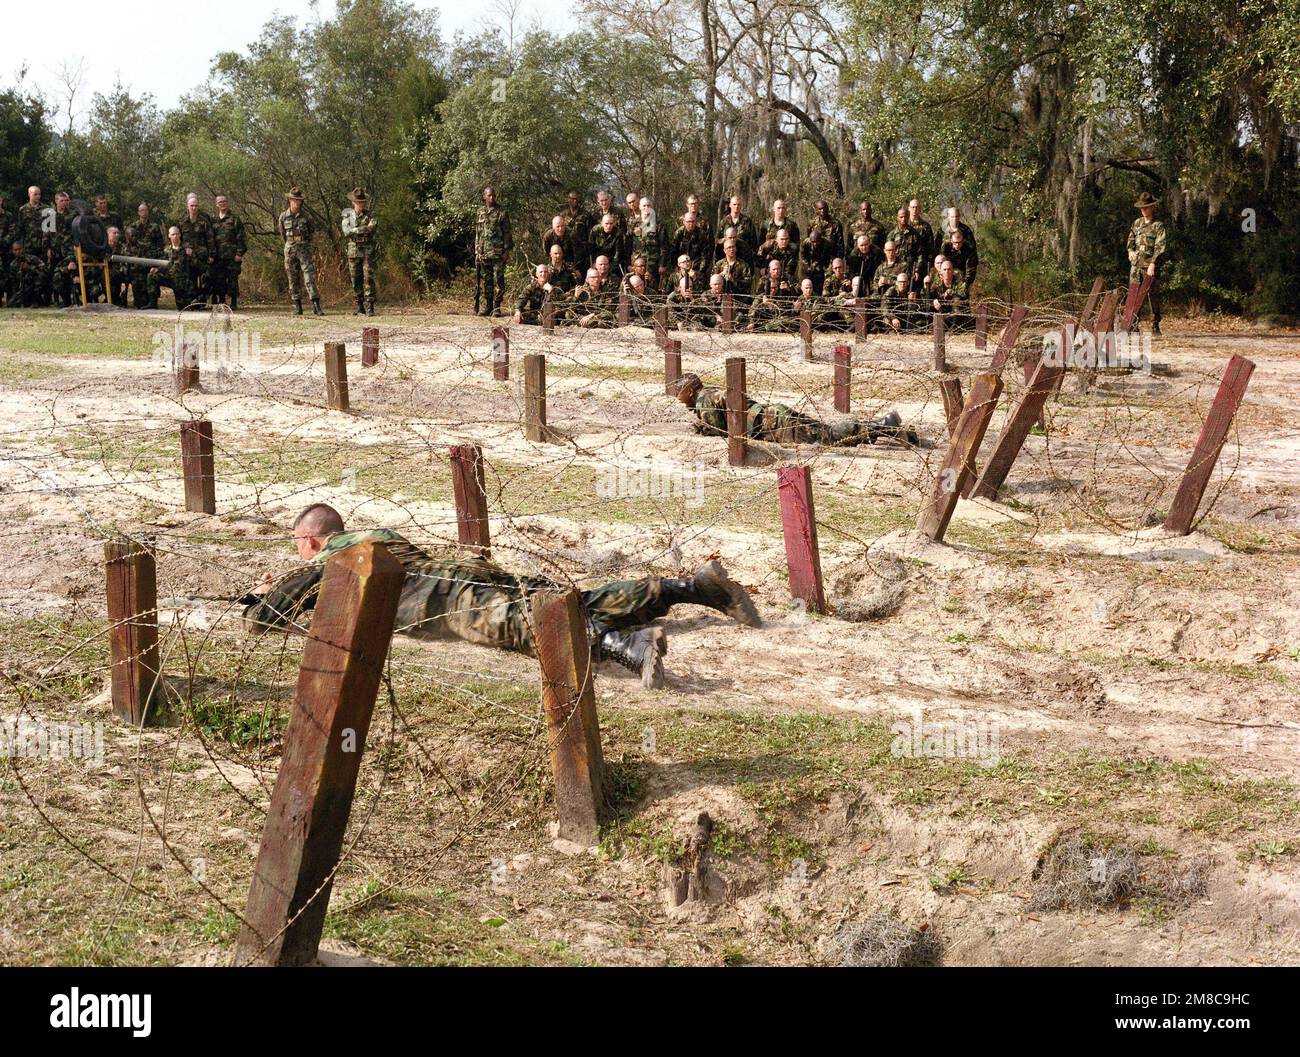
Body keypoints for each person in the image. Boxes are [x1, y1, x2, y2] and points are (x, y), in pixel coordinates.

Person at [243, 503, 761, 688]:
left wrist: (269, 593)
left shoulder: (331, 558)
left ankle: (628, 648)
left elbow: (263, 621)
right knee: (562, 603)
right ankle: (688, 587)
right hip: (466, 573)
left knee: (531, 626)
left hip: (444, 602)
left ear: (310, 540)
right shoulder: (376, 536)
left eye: (300, 547)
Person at [675, 373, 916, 447]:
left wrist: (701, 428)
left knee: (829, 436)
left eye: (679, 392)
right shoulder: (711, 392)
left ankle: (882, 427)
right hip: (774, 416)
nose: (678, 398)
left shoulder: (704, 399)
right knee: (827, 432)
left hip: (774, 425)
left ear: (689, 390)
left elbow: (718, 431)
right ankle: (885, 429)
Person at [1127, 190, 1166, 334]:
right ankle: (1133, 324)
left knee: (1152, 296)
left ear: (1152, 207)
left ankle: (1155, 324)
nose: (1144, 210)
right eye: (1142, 208)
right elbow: (1130, 241)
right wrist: (1130, 251)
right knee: (1133, 295)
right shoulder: (1136, 224)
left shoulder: (1158, 226)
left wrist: (1153, 264)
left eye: (1146, 207)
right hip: (1136, 266)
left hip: (1150, 266)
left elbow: (1160, 246)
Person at [474, 186, 512, 316]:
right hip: (484, 253)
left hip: (498, 253)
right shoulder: (480, 212)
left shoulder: (502, 212)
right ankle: (488, 306)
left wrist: (507, 251)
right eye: (489, 195)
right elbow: (478, 233)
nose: (492, 197)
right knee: (487, 281)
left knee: (499, 280)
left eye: (493, 195)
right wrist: (477, 252)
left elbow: (507, 233)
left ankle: (497, 307)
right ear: (484, 196)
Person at [176, 192, 217, 309]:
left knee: (206, 278)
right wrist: (183, 250)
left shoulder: (204, 221)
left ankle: (202, 301)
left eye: (196, 206)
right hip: (188, 257)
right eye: (191, 206)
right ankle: (193, 302)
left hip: (202, 256)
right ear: (187, 207)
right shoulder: (182, 221)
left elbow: (210, 239)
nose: (194, 208)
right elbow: (178, 239)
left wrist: (212, 255)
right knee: (190, 279)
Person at [342, 188, 378, 316]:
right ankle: (359, 305)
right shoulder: (347, 216)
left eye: (362, 202)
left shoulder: (370, 215)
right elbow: (346, 231)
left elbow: (372, 228)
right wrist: (361, 229)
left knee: (368, 277)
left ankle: (370, 306)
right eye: (358, 202)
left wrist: (356, 229)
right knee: (355, 278)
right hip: (353, 250)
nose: (360, 204)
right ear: (353, 203)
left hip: (367, 249)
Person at [125, 203, 166, 309]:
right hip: (137, 263)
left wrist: (156, 262)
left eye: (146, 210)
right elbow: (129, 246)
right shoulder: (133, 227)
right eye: (142, 210)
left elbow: (160, 245)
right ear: (138, 212)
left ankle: (153, 301)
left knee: (152, 278)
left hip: (151, 260)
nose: (144, 212)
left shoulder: (155, 227)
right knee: (139, 303)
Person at [211, 194, 248, 310]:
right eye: (220, 202)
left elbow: (241, 237)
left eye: (224, 201)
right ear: (217, 204)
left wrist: (239, 253)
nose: (223, 204)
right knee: (220, 279)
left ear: (227, 203)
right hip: (218, 256)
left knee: (232, 279)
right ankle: (222, 301)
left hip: (232, 256)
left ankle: (233, 301)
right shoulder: (214, 220)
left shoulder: (234, 219)